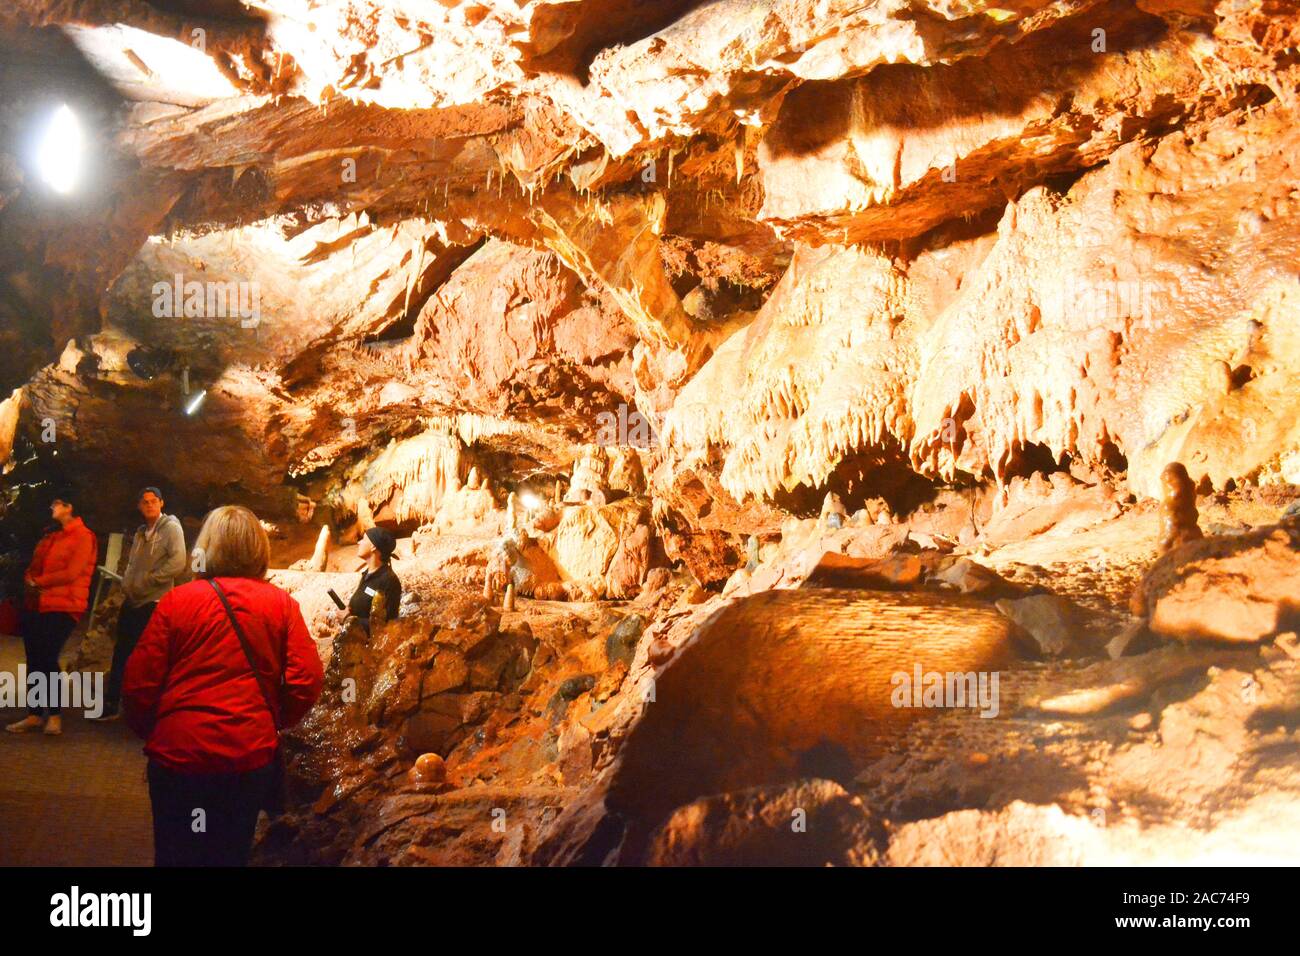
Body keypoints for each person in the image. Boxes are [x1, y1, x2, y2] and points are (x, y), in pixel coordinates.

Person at [122, 505, 323, 866]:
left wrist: (154, 729)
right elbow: (306, 679)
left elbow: (138, 682)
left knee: (175, 853)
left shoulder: (176, 602)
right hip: (245, 756)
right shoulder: (281, 606)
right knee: (229, 853)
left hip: (179, 755)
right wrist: (272, 720)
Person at [5, 491, 97, 736]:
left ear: (69, 506)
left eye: (56, 503)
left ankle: (54, 715)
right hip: (39, 603)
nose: (52, 506)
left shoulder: (84, 536)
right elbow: (35, 565)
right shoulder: (52, 535)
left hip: (65, 605)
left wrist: (40, 582)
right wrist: (29, 579)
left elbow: (73, 572)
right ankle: (34, 714)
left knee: (47, 657)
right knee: (35, 659)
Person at [93, 487, 186, 721]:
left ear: (162, 503)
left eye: (153, 501)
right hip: (133, 600)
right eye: (145, 502)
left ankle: (149, 710)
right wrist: (127, 583)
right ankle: (114, 703)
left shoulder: (171, 529)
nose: (149, 505)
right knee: (122, 653)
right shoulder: (140, 532)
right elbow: (133, 563)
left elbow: (178, 562)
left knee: (150, 657)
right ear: (139, 506)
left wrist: (150, 581)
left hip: (154, 602)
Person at [342, 527, 402, 634]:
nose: (359, 542)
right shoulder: (367, 575)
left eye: (364, 539)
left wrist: (350, 620)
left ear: (373, 546)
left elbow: (386, 625)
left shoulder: (389, 581)